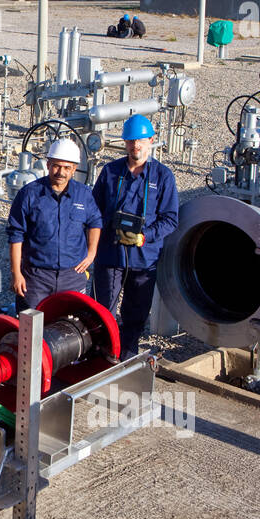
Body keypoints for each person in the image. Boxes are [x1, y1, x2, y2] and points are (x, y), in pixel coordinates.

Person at [92, 114, 179, 358]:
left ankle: (128, 356)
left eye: (140, 140)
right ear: (124, 142)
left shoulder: (163, 177)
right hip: (110, 256)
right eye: (130, 141)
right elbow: (93, 211)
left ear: (151, 140)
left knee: (135, 313)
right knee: (102, 310)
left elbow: (171, 219)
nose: (135, 146)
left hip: (144, 259)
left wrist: (145, 237)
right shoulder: (110, 172)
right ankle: (100, 356)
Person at [6, 138, 102, 311]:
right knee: (31, 327)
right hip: (36, 277)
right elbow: (16, 235)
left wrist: (91, 253)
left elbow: (95, 222)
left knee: (71, 326)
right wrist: (16, 274)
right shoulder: (29, 194)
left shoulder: (84, 195)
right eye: (57, 166)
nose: (61, 172)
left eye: (67, 167)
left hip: (72, 276)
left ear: (74, 169)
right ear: (48, 164)